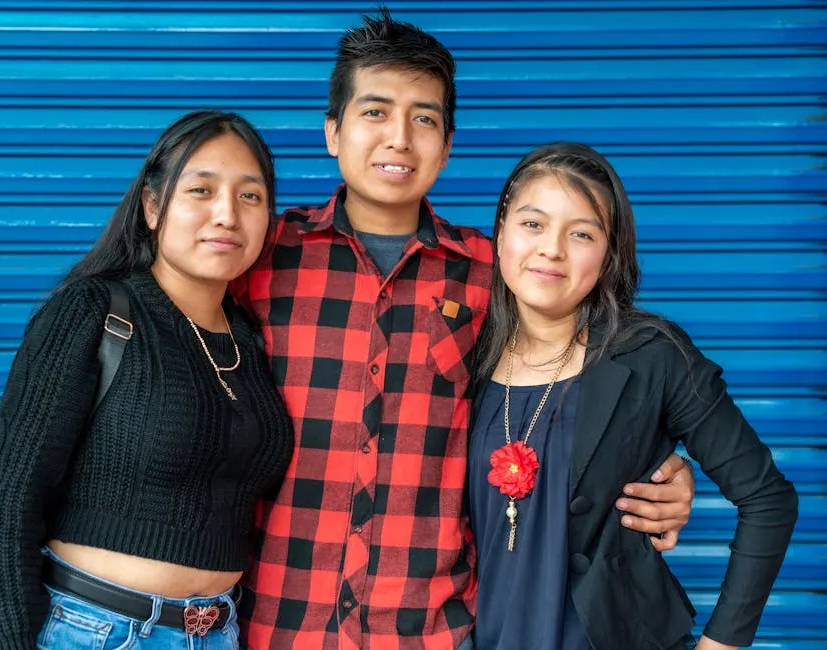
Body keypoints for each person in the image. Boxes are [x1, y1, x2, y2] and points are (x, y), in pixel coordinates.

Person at [232, 9, 696, 649]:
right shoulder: (262, 256)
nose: (399, 137)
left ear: (447, 146)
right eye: (375, 112)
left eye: (423, 118)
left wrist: (659, 465)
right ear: (333, 132)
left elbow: (597, 381)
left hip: (430, 632)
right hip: (278, 622)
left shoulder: (496, 272)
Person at [0, 110, 294, 649]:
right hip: (93, 630)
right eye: (201, 190)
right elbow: (10, 498)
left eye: (249, 197)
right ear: (152, 205)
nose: (227, 215)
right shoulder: (94, 311)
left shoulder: (250, 341)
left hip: (217, 632)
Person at [468, 142, 798, 650]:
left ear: (608, 254)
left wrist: (723, 642)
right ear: (500, 232)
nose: (551, 248)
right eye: (532, 224)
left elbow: (767, 499)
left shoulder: (651, 355)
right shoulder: (461, 355)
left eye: (582, 233)